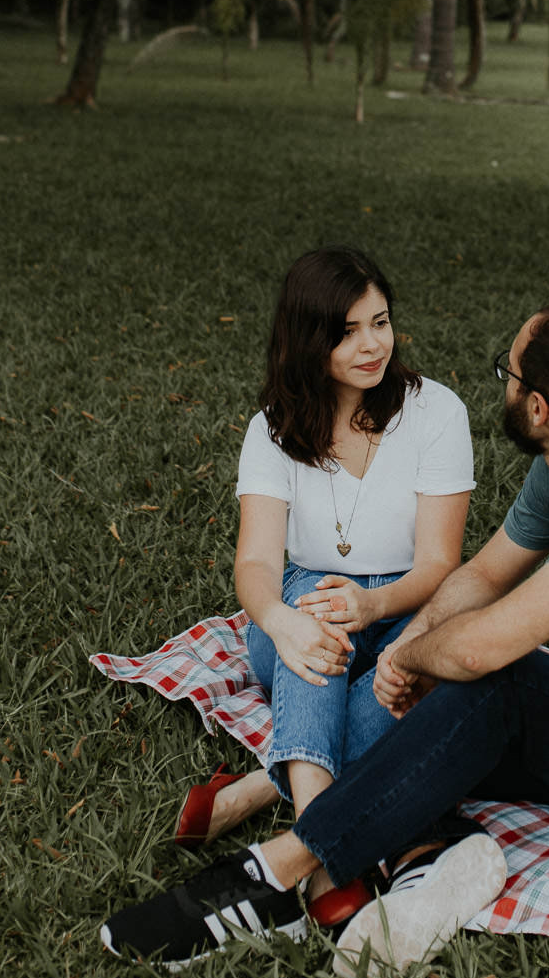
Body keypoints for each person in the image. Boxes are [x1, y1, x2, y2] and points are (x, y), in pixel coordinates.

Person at [103, 302, 549, 976]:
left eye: (511, 371)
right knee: (442, 710)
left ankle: (277, 873)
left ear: (539, 409)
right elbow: (482, 577)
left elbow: (482, 651)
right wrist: (421, 640)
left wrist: (412, 654)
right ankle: (363, 823)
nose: (504, 381)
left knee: (504, 677)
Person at [167, 246, 475, 919]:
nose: (372, 345)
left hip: (405, 602)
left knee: (427, 683)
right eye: (347, 331)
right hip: (300, 612)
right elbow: (254, 565)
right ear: (309, 340)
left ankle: (263, 795)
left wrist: (373, 603)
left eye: (381, 322)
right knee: (317, 621)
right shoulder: (273, 428)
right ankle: (327, 843)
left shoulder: (435, 412)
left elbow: (438, 564)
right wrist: (284, 622)